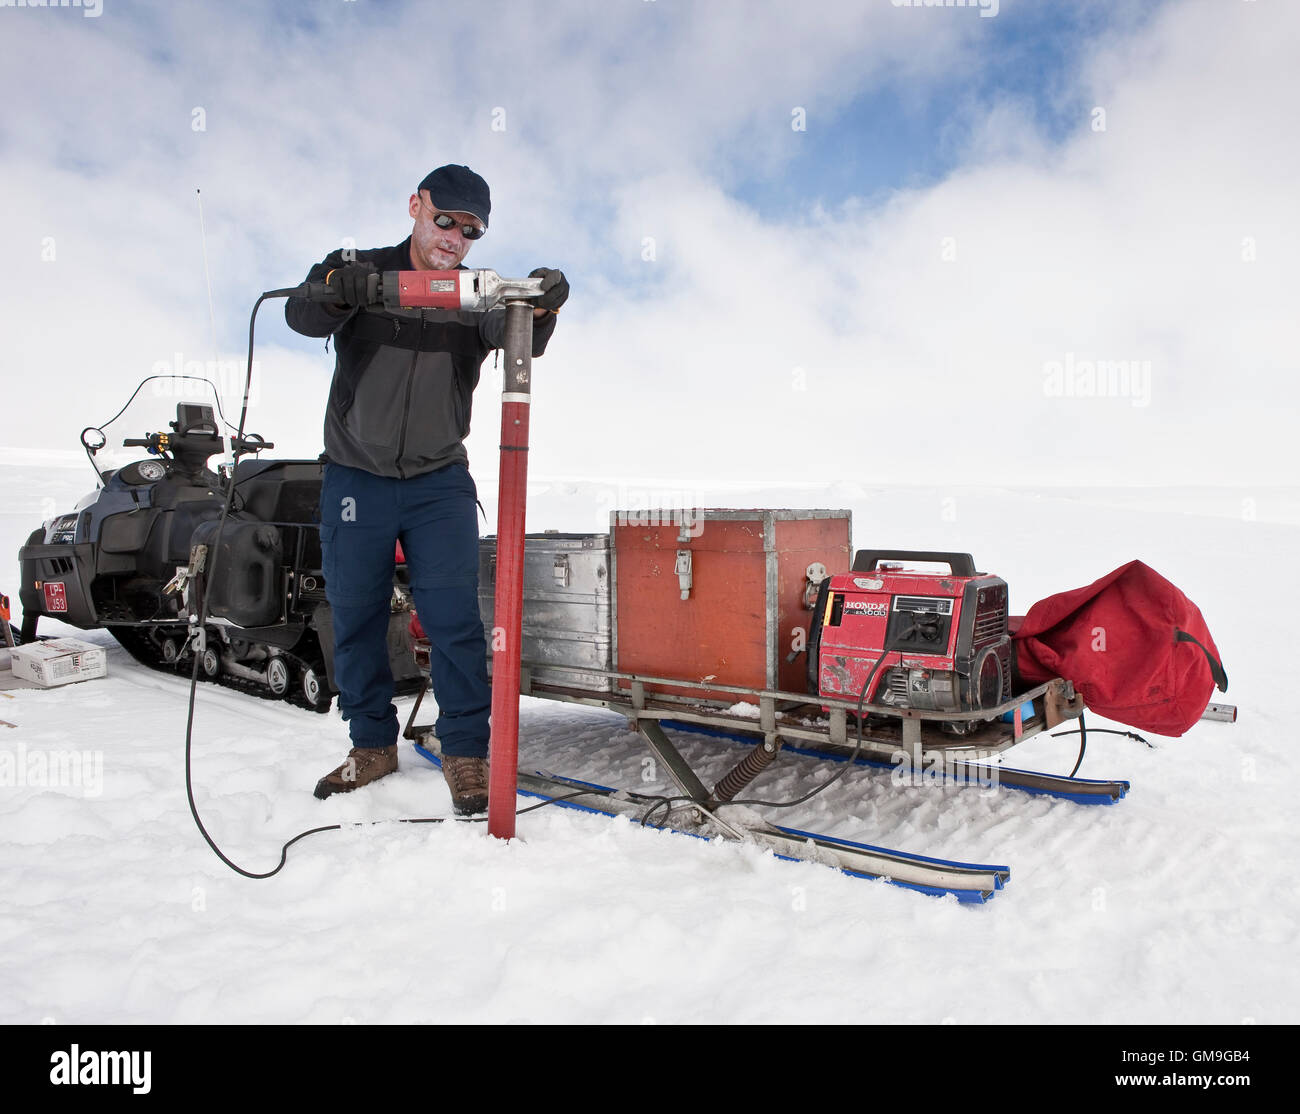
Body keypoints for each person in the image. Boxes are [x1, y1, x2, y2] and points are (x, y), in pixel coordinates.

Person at [285, 164, 568, 814]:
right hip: (356, 476)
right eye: (445, 220)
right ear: (416, 206)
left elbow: (518, 333)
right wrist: (338, 290)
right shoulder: (358, 268)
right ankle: (371, 747)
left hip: (438, 482)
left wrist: (543, 304)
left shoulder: (478, 295)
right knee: (355, 617)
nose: (455, 237)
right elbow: (304, 313)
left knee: (454, 623)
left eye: (471, 230)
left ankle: (466, 755)